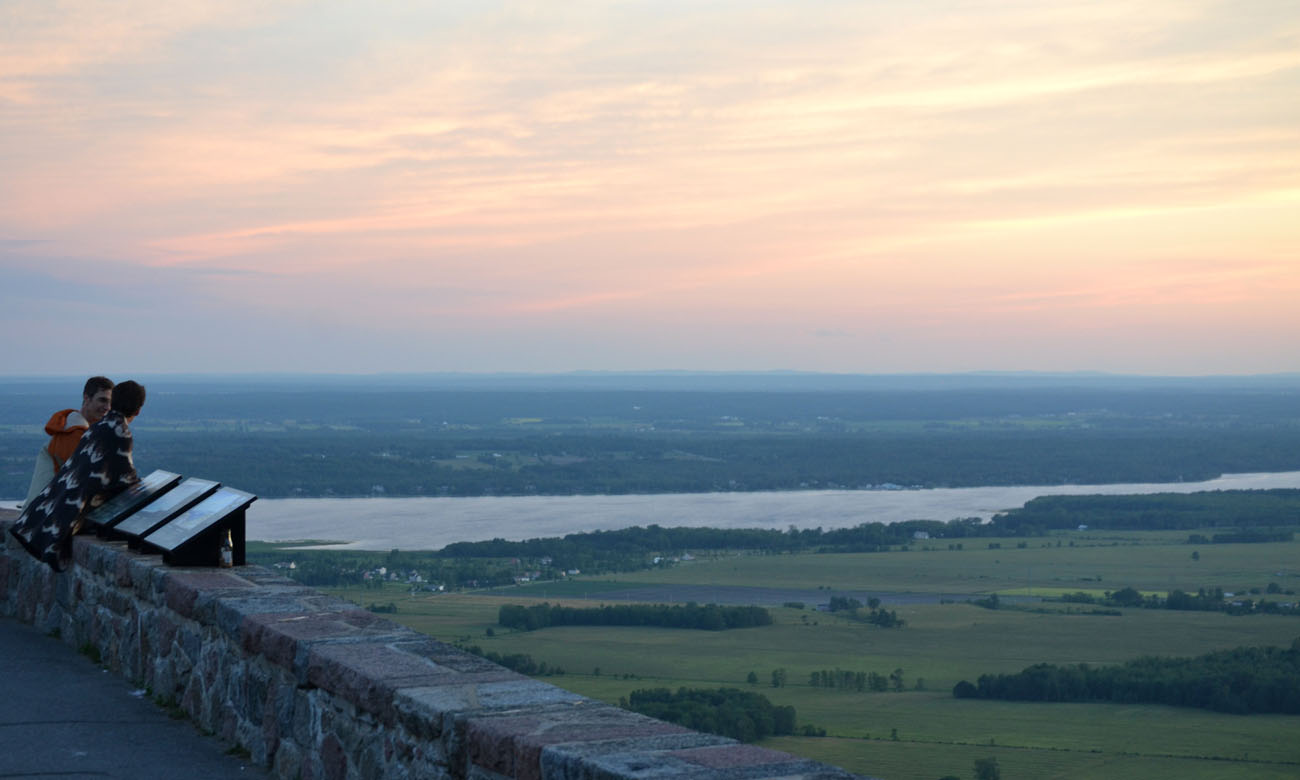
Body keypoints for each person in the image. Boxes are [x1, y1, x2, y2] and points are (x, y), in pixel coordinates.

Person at [10, 380, 146, 572]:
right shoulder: (115, 430)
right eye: (101, 400)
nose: (105, 406)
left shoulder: (97, 428)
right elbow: (125, 477)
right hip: (61, 520)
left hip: (41, 518)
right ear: (138, 410)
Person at [21, 376, 114, 509]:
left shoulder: (80, 428)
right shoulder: (73, 433)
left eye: (110, 402)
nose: (107, 407)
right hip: (42, 515)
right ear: (86, 398)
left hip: (45, 511)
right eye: (102, 400)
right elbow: (86, 478)